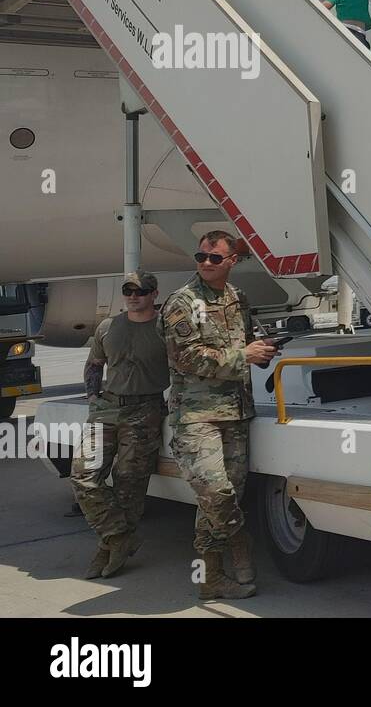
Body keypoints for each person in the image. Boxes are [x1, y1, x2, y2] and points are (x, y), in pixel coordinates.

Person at [159, 231, 280, 601]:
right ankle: (241, 544)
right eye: (201, 257)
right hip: (196, 415)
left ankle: (211, 579)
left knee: (226, 497)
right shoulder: (182, 302)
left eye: (215, 258)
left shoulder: (237, 298)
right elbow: (188, 358)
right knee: (216, 492)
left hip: (236, 412)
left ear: (232, 261)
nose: (206, 263)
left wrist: (260, 353)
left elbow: (240, 346)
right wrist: (245, 355)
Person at [73, 271, 169, 579]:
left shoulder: (166, 328)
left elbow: (184, 367)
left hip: (146, 410)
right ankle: (118, 537)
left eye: (140, 290)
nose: (132, 295)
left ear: (154, 294)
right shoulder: (108, 327)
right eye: (128, 290)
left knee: (128, 485)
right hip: (107, 409)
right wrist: (92, 395)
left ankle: (108, 549)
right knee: (83, 476)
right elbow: (94, 364)